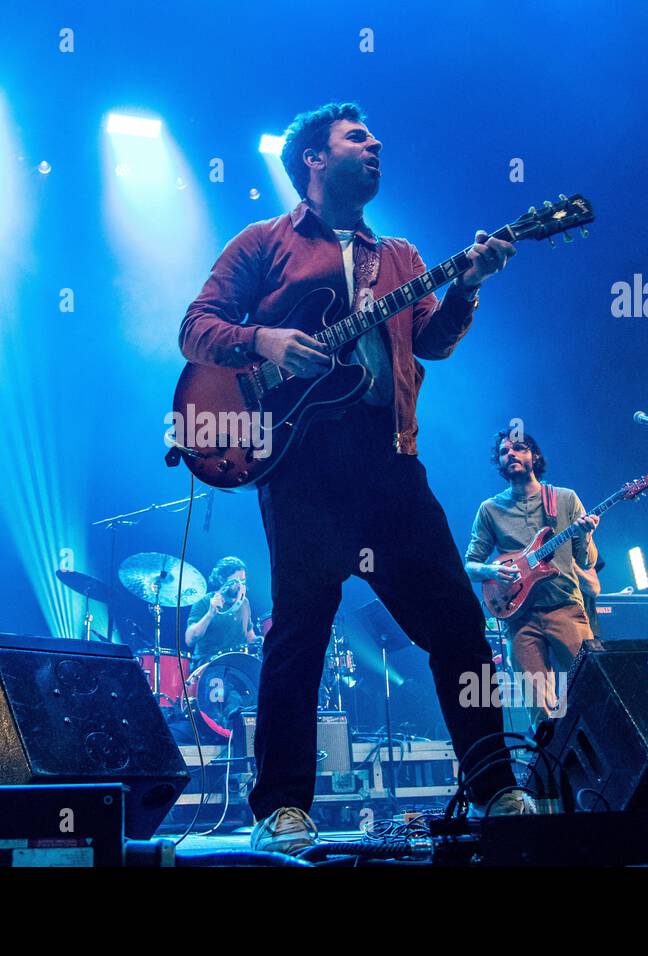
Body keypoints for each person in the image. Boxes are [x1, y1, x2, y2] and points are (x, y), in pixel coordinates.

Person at [180, 102, 525, 853]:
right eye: (356, 138)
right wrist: (263, 339)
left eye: (374, 138)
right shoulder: (264, 243)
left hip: (390, 457)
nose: (375, 145)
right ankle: (281, 807)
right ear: (312, 158)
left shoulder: (399, 255)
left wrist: (467, 285)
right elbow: (196, 328)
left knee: (461, 627)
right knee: (300, 629)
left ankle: (497, 786)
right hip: (302, 462)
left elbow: (431, 342)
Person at [465, 431, 599, 726]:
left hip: (565, 608)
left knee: (593, 692)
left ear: (534, 456)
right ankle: (551, 769)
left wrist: (586, 535)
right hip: (519, 618)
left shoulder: (565, 499)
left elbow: (586, 561)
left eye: (519, 448)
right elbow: (470, 565)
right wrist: (491, 570)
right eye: (504, 451)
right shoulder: (489, 509)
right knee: (540, 711)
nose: (510, 454)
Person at [185, 556, 257, 660]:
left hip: (238, 665)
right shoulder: (204, 602)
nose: (240, 586)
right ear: (221, 579)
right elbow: (189, 640)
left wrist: (263, 640)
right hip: (210, 664)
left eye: (243, 581)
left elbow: (250, 636)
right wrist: (210, 614)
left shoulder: (244, 603)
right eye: (236, 581)